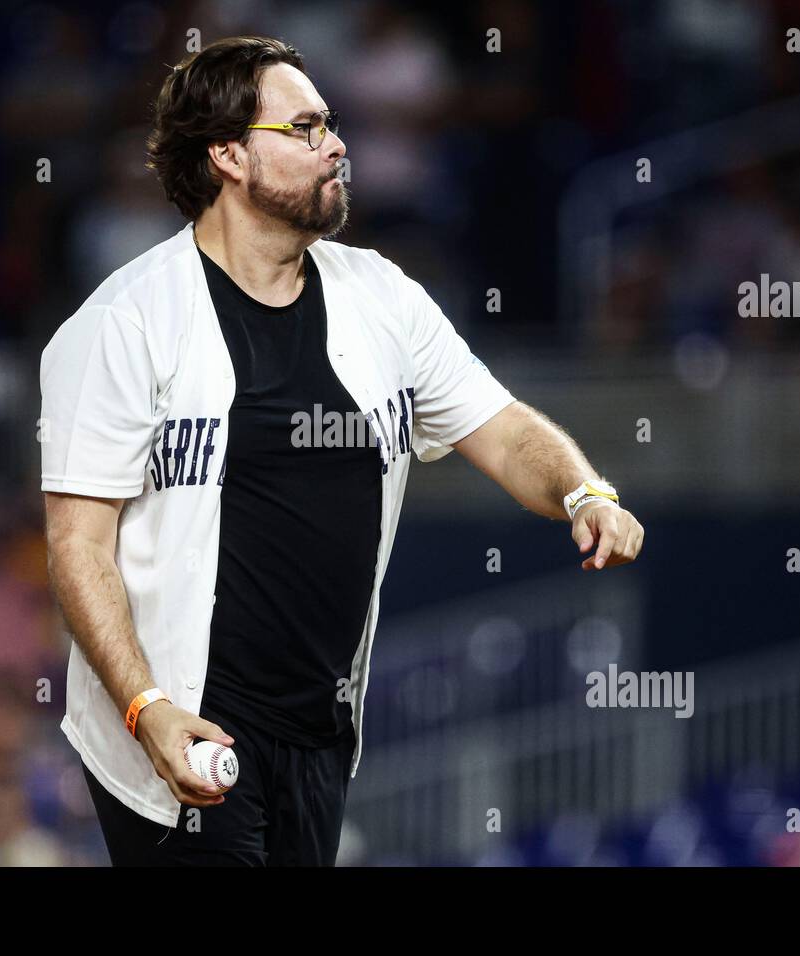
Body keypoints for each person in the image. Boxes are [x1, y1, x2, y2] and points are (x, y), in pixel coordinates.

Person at [39, 35, 644, 866]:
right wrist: (147, 709)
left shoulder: (380, 295)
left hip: (320, 731)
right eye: (306, 127)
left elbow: (500, 427)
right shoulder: (122, 326)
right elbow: (79, 545)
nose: (337, 143)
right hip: (180, 726)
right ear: (228, 155)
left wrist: (584, 491)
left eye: (330, 124)